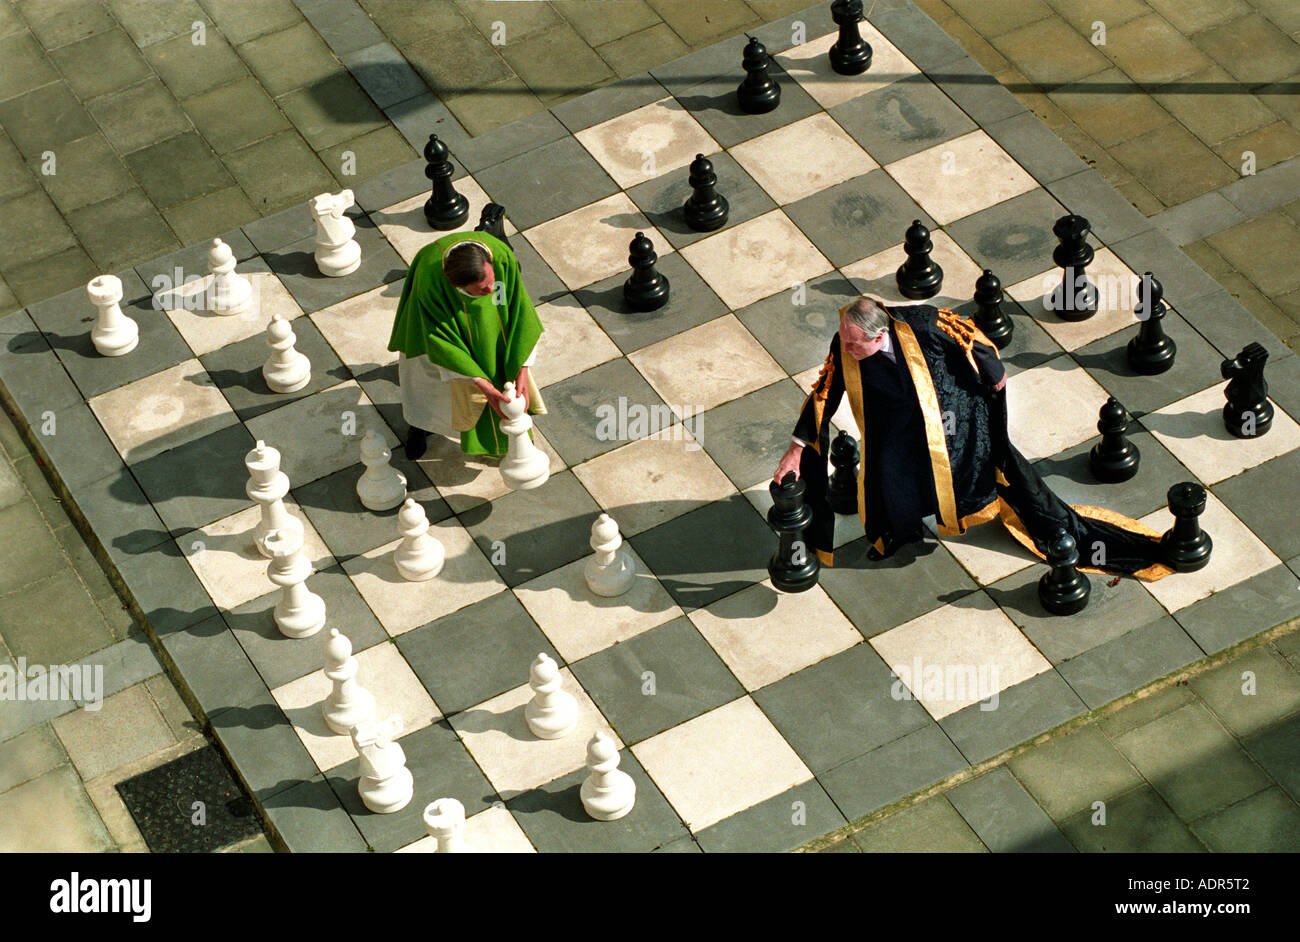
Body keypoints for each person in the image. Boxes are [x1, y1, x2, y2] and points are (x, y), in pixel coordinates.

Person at [774, 295, 1171, 580]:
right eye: (844, 340)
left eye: (853, 344)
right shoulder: (847, 343)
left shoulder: (925, 325)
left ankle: (967, 508)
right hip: (893, 423)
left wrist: (995, 374)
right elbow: (825, 391)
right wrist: (796, 450)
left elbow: (972, 338)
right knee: (887, 478)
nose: (844, 349)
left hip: (947, 417)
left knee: (965, 468)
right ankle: (898, 533)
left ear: (879, 338)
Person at [388, 228, 544, 460]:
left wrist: (522, 368)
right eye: (482, 289)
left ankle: (507, 442)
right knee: (430, 392)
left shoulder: (500, 256)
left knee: (504, 379)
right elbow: (438, 338)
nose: (492, 290)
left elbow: (521, 312)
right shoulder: (431, 279)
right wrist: (479, 381)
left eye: (491, 282)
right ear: (456, 286)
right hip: (439, 342)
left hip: (495, 338)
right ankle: (419, 427)